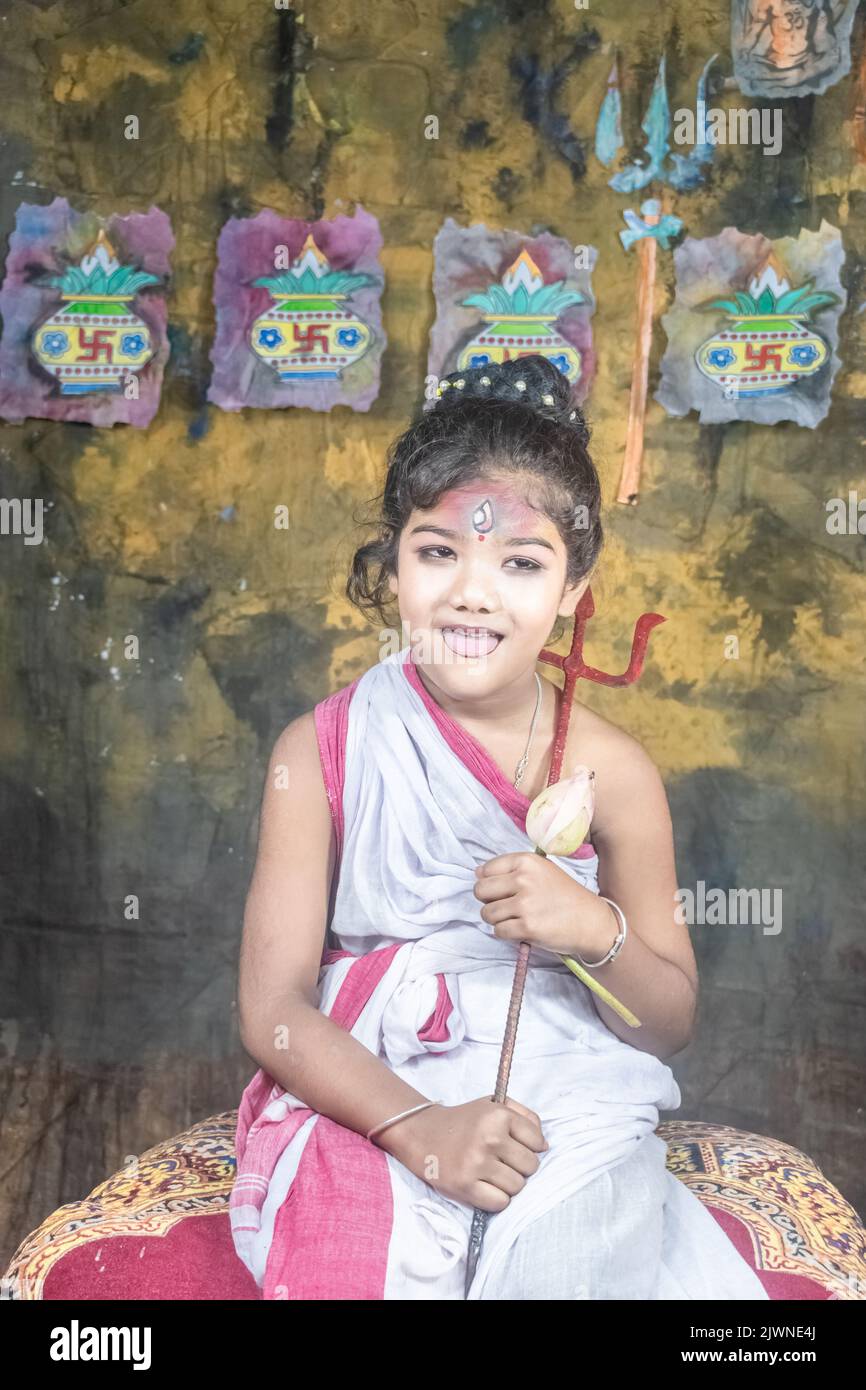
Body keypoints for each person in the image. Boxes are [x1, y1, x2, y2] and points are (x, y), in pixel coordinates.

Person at [229, 354, 769, 1300]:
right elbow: (272, 1011)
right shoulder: (319, 752)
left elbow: (668, 1024)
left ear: (573, 587)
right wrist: (420, 1130)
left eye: (521, 563)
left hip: (569, 1100)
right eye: (439, 551)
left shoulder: (617, 775)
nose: (474, 595)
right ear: (393, 559)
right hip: (379, 1087)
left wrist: (588, 932)